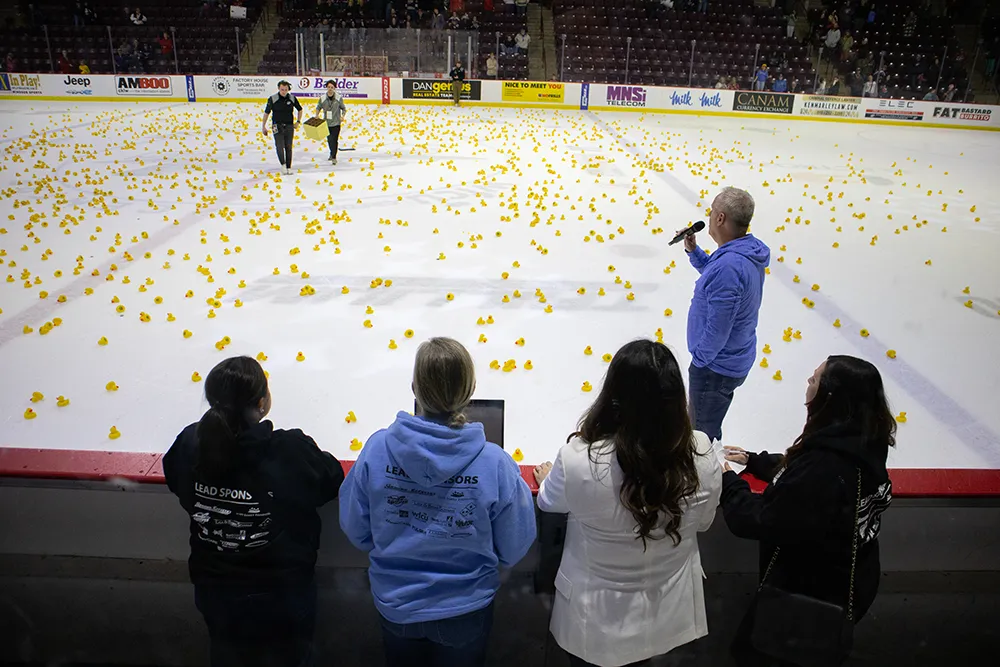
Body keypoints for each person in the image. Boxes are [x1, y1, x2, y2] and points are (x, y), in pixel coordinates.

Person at [339, 337, 536, 667]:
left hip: (396, 605)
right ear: (469, 391)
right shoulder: (494, 462)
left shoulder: (376, 449)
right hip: (465, 607)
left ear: (415, 387)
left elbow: (356, 530)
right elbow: (514, 546)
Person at [534, 339, 722, 667]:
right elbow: (704, 522)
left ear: (613, 397)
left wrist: (552, 475)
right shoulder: (702, 452)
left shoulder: (578, 460)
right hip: (666, 619)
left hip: (591, 624)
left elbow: (549, 502)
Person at [163, 356, 345, 667]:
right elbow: (331, 480)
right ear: (262, 403)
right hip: (281, 595)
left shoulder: (189, 445)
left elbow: (177, 482)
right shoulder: (287, 450)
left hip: (216, 591)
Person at [720, 356, 895, 667]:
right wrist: (756, 461)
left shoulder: (825, 468)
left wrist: (729, 483)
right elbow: (805, 478)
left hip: (807, 599)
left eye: (815, 380)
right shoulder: (863, 440)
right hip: (848, 584)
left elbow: (758, 520)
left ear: (831, 397)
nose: (807, 383)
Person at [678, 187, 770, 444]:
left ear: (720, 218)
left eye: (711, 212)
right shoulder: (742, 251)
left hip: (715, 367)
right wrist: (694, 252)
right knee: (702, 427)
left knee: (702, 437)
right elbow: (716, 277)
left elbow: (719, 328)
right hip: (731, 358)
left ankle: (704, 480)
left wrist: (700, 362)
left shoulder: (730, 266)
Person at [261, 80, 302, 175]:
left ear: (288, 89)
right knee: (279, 145)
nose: (284, 91)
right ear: (279, 89)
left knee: (288, 146)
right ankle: (283, 164)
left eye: (286, 89)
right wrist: (263, 126)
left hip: (289, 125)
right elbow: (267, 112)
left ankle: (289, 166)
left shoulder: (292, 98)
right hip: (276, 125)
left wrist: (298, 121)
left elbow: (300, 109)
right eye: (282, 89)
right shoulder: (272, 99)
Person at [315, 79, 347, 164]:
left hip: (336, 123)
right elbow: (318, 107)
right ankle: (331, 153)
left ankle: (334, 156)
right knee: (329, 140)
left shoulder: (338, 98)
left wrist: (342, 116)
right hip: (326, 123)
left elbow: (343, 108)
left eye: (332, 87)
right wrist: (317, 115)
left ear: (334, 88)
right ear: (326, 87)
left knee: (334, 140)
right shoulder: (322, 98)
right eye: (329, 87)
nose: (330, 89)